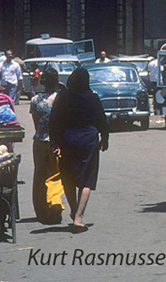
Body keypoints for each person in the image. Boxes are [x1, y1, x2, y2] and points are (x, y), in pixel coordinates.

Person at [49, 67, 109, 233]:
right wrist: (105, 138)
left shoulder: (63, 97)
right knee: (87, 179)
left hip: (67, 140)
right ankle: (79, 217)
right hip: (89, 141)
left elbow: (54, 121)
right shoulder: (93, 98)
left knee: (67, 177)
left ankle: (74, 209)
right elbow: (102, 120)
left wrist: (55, 143)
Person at [30, 67, 64, 224]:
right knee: (55, 175)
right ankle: (55, 204)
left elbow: (37, 124)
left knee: (39, 176)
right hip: (56, 142)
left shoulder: (35, 100)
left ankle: (41, 211)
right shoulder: (61, 99)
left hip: (40, 141)